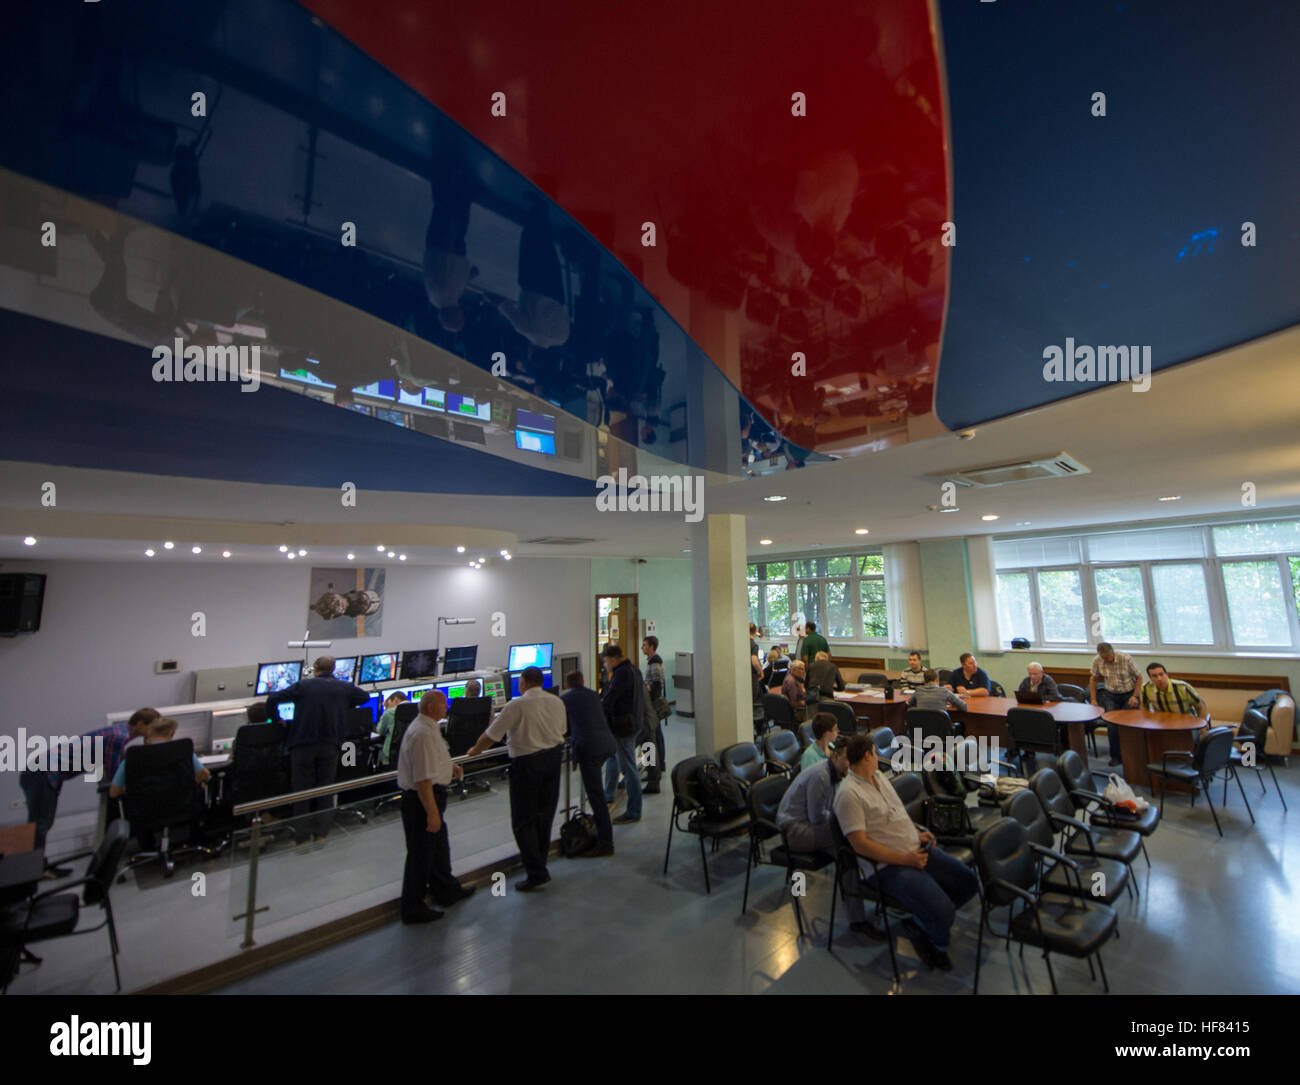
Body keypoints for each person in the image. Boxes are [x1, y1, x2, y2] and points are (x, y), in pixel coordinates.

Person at [832, 734, 979, 970]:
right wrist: (906, 859)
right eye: (875, 753)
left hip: (914, 849)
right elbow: (860, 845)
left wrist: (916, 832)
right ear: (868, 755)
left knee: (968, 883)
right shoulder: (848, 795)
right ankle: (935, 944)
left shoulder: (878, 776)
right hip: (889, 866)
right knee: (943, 910)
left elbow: (897, 811)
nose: (878, 757)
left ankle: (923, 920)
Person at [466, 666, 567, 891]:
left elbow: (491, 736)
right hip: (553, 762)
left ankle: (536, 872)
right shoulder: (556, 702)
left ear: (524, 682)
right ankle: (539, 864)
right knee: (544, 815)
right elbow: (562, 730)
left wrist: (474, 751)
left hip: (528, 765)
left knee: (522, 820)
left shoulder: (516, 705)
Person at [19, 707, 158, 853]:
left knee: (41, 823)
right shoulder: (120, 737)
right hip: (41, 773)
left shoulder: (118, 732)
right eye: (153, 727)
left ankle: (35, 866)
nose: (154, 731)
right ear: (141, 724)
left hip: (40, 772)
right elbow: (115, 773)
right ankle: (35, 870)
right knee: (40, 824)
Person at [267, 655, 369, 844]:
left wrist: (276, 719)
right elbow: (365, 697)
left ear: (315, 669)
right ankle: (322, 833)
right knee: (325, 788)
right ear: (333, 669)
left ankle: (302, 836)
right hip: (330, 744)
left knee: (302, 790)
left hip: (303, 744)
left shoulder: (304, 686)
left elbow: (273, 698)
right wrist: (344, 706)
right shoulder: (344, 687)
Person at [396, 691, 474, 924]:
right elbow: (422, 778)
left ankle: (447, 891)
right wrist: (431, 813)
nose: (447, 708)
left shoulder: (429, 727)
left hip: (431, 797)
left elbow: (433, 758)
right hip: (422, 801)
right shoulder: (422, 733)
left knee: (438, 849)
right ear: (431, 707)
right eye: (443, 704)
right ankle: (413, 907)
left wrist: (450, 766)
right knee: (421, 855)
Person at [560, 671, 616, 857]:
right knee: (596, 791)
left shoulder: (566, 699)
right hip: (606, 743)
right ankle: (599, 832)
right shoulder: (593, 694)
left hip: (589, 749)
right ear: (583, 681)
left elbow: (563, 726)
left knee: (596, 796)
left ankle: (605, 843)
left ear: (567, 684)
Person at [107, 716, 209, 800]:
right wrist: (190, 783)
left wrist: (132, 788)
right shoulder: (184, 752)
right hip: (181, 812)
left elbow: (114, 792)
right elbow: (205, 775)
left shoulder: (133, 757)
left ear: (149, 733)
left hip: (143, 816)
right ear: (172, 733)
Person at [598, 643, 646, 823]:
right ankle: (608, 794)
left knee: (628, 768)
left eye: (605, 662)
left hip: (624, 727)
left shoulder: (621, 674)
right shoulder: (634, 670)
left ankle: (634, 811)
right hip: (632, 723)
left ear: (612, 659)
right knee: (613, 758)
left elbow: (609, 699)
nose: (604, 666)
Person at [777, 740, 849, 852]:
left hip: (809, 823)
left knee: (850, 827)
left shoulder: (836, 773)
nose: (852, 765)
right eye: (848, 759)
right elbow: (817, 817)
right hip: (794, 831)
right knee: (848, 831)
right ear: (835, 756)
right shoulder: (821, 776)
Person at [1088, 642, 1141, 766]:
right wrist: (1093, 699)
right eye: (1103, 658)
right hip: (1111, 695)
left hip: (1128, 694)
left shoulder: (1125, 658)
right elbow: (1093, 679)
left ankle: (1133, 755)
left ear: (1113, 652)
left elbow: (1139, 677)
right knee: (1112, 726)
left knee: (1128, 725)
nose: (1106, 660)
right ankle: (1116, 756)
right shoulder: (1098, 660)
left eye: (1108, 657)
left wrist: (1135, 696)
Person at [641, 636, 668, 793]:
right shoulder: (652, 662)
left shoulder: (655, 664)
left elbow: (656, 685)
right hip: (651, 705)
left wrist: (645, 690)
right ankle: (656, 768)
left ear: (651, 647)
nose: (642, 648)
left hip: (652, 706)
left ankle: (657, 768)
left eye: (644, 645)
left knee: (653, 738)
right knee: (656, 736)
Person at [1139, 663, 1208, 718]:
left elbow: (1201, 706)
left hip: (1186, 721)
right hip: (1161, 723)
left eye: (1161, 674)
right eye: (1154, 676)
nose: (1159, 678)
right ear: (1150, 678)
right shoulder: (1145, 688)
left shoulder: (1182, 687)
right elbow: (1144, 707)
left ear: (1166, 674)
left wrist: (1202, 726)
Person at [375, 691, 409, 765]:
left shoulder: (389, 713)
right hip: (410, 755)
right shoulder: (417, 709)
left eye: (388, 703)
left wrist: (386, 710)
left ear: (396, 699)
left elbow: (380, 731)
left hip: (392, 757)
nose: (388, 706)